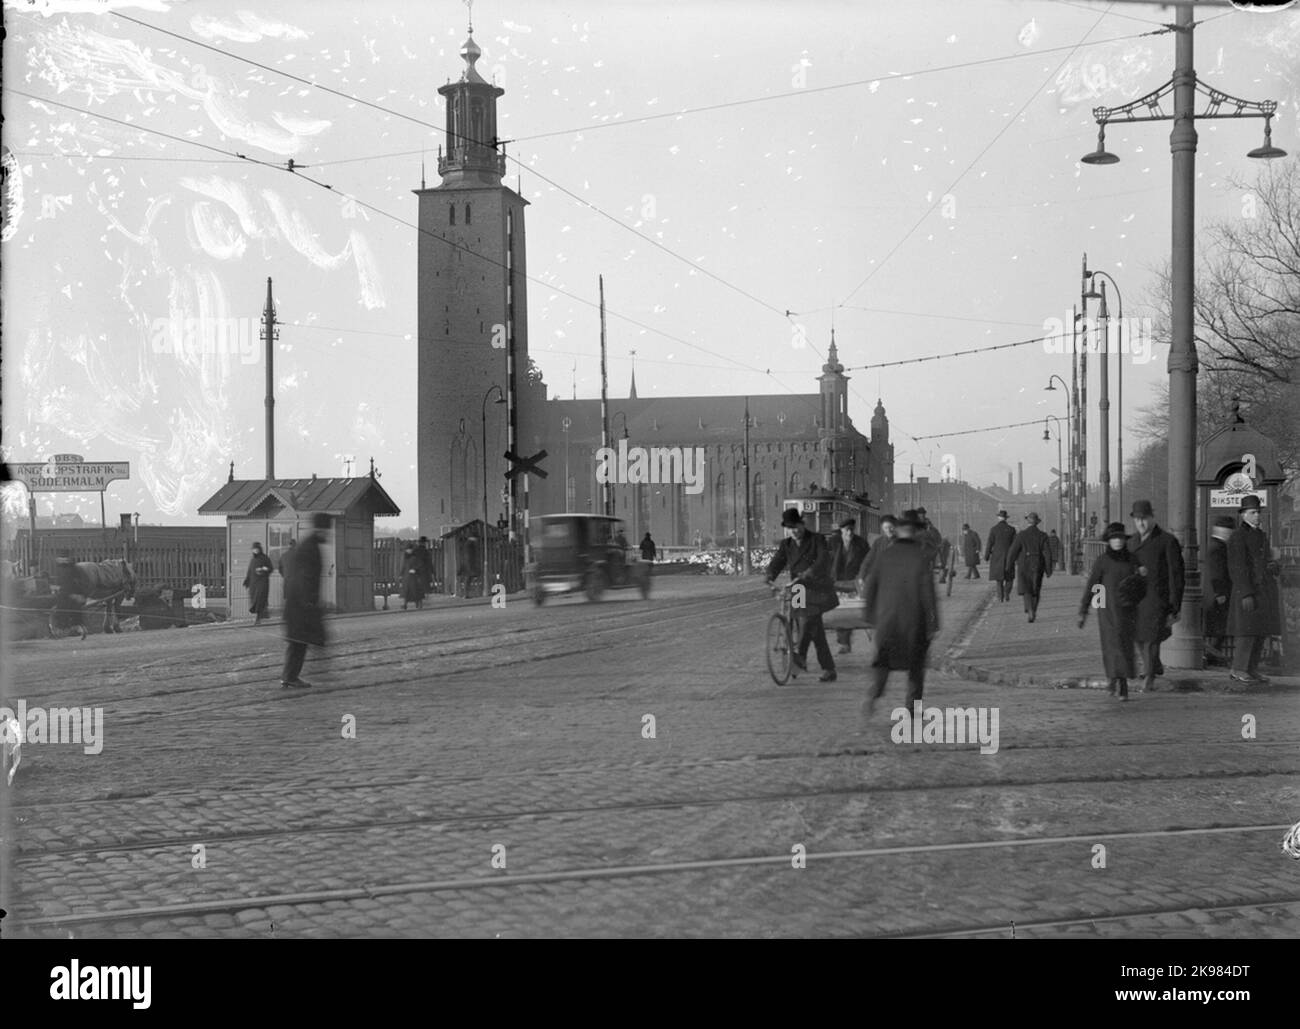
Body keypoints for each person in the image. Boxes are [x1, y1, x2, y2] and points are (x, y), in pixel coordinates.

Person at [860, 510, 939, 717]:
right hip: (914, 622)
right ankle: (913, 708)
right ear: (915, 532)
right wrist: (933, 624)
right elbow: (928, 594)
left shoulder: (885, 555)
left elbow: (870, 587)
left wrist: (870, 617)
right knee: (916, 666)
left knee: (884, 661)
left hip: (887, 621)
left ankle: (875, 693)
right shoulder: (920, 557)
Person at [765, 508, 839, 682]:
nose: (794, 531)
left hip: (817, 588)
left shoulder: (817, 539)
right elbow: (777, 561)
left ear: (802, 524)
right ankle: (827, 668)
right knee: (813, 628)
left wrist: (809, 572)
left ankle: (801, 659)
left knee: (808, 622)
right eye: (790, 529)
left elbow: (823, 560)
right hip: (798, 589)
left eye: (796, 527)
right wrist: (769, 576)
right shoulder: (787, 544)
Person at [1078, 522, 1143, 701]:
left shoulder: (1133, 559)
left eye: (1120, 538)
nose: (1117, 542)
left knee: (1124, 646)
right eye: (1114, 539)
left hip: (1127, 610)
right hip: (1107, 611)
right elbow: (1092, 585)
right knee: (1112, 647)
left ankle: (1118, 680)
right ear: (1108, 541)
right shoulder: (1102, 561)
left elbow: (1142, 584)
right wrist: (1084, 609)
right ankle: (1118, 682)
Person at [1127, 499, 1184, 691]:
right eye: (1137, 520)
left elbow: (1176, 576)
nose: (1141, 523)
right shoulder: (1131, 542)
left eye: (1144, 519)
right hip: (1136, 600)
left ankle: (1149, 677)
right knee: (1137, 636)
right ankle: (1154, 665)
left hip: (1157, 599)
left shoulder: (1167, 541)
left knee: (1151, 638)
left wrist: (1175, 605)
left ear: (1152, 518)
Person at [1227, 494, 1280, 685]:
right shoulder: (1238, 537)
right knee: (1247, 632)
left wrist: (1273, 566)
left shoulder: (1261, 535)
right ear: (1243, 515)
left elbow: (1263, 562)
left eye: (1258, 512)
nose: (1257, 516)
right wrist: (1246, 593)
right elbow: (1237, 567)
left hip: (1262, 590)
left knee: (1259, 631)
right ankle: (1239, 669)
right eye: (1253, 512)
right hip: (1247, 592)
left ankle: (1251, 669)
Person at [281, 514, 330, 689]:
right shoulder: (310, 548)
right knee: (300, 642)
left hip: (298, 603)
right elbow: (305, 577)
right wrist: (309, 601)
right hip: (301, 605)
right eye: (326, 531)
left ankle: (290, 676)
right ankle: (291, 676)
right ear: (320, 529)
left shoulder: (308, 545)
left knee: (299, 642)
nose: (328, 535)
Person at [829, 517, 870, 655]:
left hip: (854, 582)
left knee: (848, 609)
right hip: (836, 582)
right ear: (841, 530)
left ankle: (844, 642)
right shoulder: (833, 542)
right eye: (847, 530)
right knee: (838, 609)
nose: (850, 533)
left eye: (852, 530)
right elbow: (826, 560)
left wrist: (862, 579)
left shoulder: (861, 544)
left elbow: (868, 562)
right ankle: (844, 642)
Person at [1007, 512, 1053, 622]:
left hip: (1024, 564)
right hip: (1038, 564)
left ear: (1027, 522)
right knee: (1036, 589)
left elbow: (1012, 551)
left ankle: (1030, 610)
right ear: (1037, 523)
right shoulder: (1043, 535)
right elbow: (1047, 553)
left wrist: (1009, 565)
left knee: (1026, 589)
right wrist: (1048, 569)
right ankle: (1034, 610)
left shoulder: (1021, 535)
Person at [1203, 516, 1235, 664]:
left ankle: (1212, 654)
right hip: (1218, 593)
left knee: (1219, 627)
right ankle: (1212, 654)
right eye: (1229, 530)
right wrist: (1220, 592)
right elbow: (1217, 572)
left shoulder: (1215, 545)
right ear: (1224, 531)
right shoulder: (1218, 547)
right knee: (1221, 626)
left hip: (1214, 593)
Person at [984, 510, 1016, 603]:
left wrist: (986, 556)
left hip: (997, 557)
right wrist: (1016, 557)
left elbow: (989, 543)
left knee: (999, 579)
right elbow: (1015, 545)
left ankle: (1000, 597)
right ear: (1006, 518)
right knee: (1009, 578)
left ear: (998, 518)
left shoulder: (994, 529)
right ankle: (1006, 593)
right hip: (1009, 556)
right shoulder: (1012, 529)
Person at [857, 514, 898, 587]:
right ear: (882, 528)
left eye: (891, 527)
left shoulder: (901, 542)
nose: (888, 530)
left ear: (895, 526)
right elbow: (868, 559)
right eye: (885, 528)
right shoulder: (878, 542)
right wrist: (861, 576)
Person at [243, 542, 274, 625]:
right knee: (254, 599)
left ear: (259, 549)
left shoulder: (265, 558)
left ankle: (258, 618)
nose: (255, 551)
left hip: (262, 583)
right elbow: (250, 571)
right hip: (253, 583)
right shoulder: (253, 560)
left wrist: (264, 569)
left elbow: (271, 568)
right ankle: (260, 616)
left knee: (260, 599)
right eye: (254, 549)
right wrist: (247, 580)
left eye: (257, 549)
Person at [401, 544, 426, 610]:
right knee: (406, 591)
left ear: (412, 550)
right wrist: (401, 574)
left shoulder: (415, 557)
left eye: (409, 549)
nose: (408, 551)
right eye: (407, 549)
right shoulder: (405, 557)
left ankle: (418, 604)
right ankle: (405, 604)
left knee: (416, 591)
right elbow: (403, 566)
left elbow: (420, 565)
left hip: (414, 577)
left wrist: (415, 569)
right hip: (406, 577)